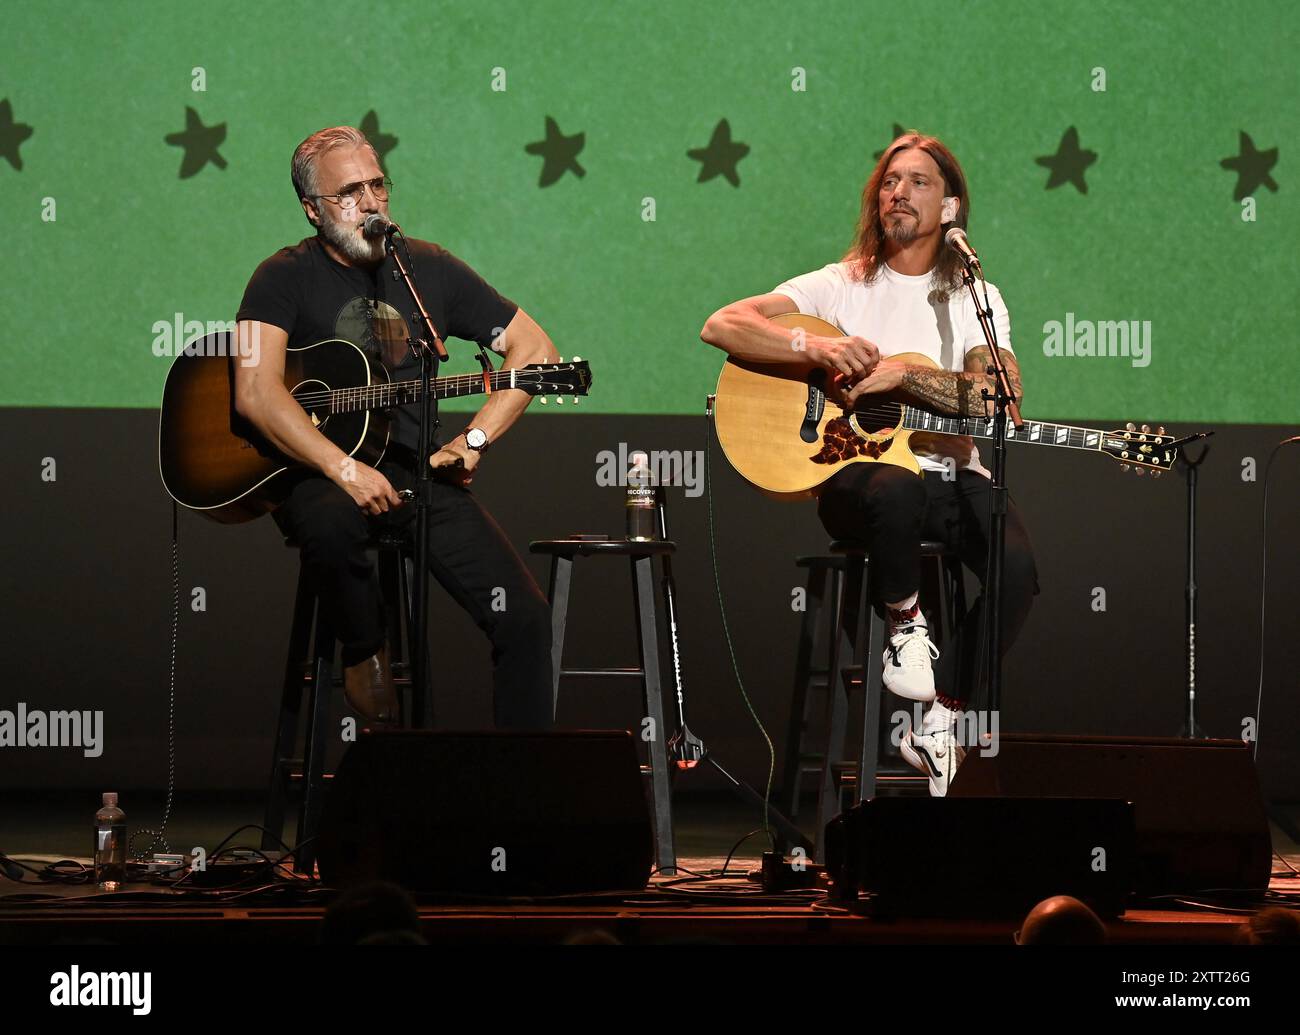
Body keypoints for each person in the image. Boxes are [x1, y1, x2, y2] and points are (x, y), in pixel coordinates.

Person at [701, 132, 1038, 795]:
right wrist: (816, 348)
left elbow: (998, 394)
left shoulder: (975, 297)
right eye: (889, 181)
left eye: (918, 182)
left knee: (1019, 567)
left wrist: (899, 379)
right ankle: (906, 624)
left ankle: (944, 714)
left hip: (953, 476)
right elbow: (723, 324)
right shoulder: (839, 283)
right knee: (896, 486)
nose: (898, 193)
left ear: (951, 207)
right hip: (856, 480)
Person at [233, 125, 556, 729]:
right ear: (312, 209)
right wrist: (342, 468)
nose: (371, 201)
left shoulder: (426, 268)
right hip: (315, 470)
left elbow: (533, 351)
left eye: (377, 185)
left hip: (415, 468)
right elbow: (255, 392)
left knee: (526, 617)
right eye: (349, 192)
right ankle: (363, 648)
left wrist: (475, 438)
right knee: (331, 525)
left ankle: (525, 792)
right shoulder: (281, 277)